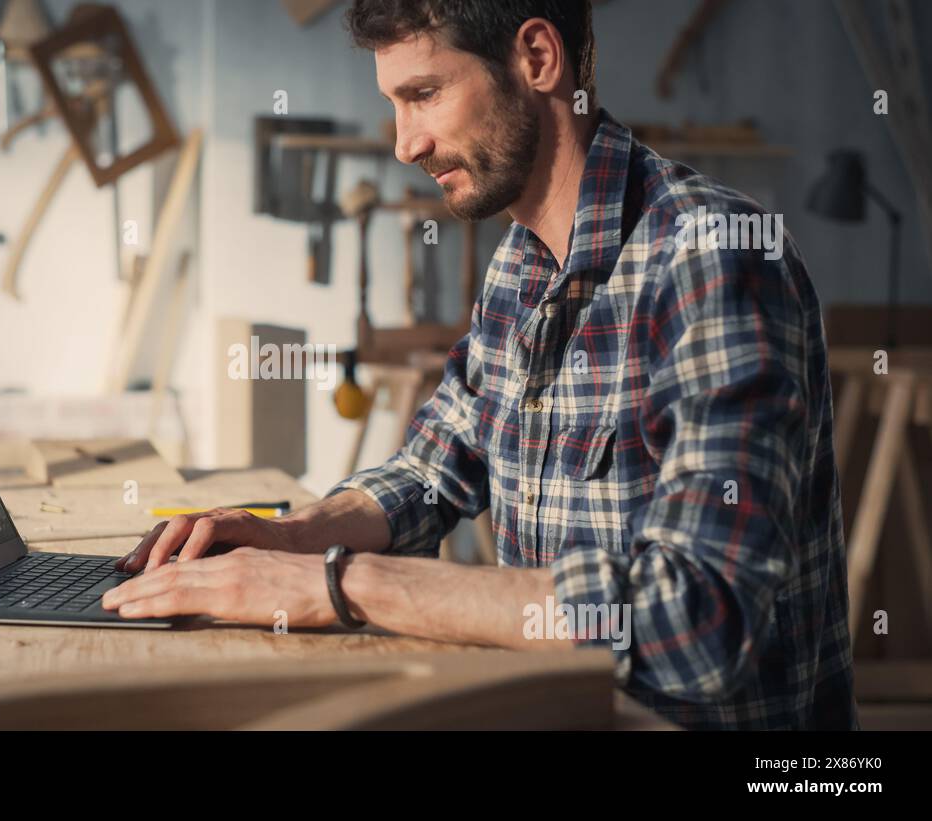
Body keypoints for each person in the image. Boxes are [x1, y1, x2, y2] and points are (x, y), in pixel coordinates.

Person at [102, 0, 856, 730]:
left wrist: (337, 583)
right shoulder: (520, 267)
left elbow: (698, 619)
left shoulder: (711, 255)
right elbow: (432, 472)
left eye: (423, 94)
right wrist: (288, 536)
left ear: (536, 58)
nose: (405, 144)